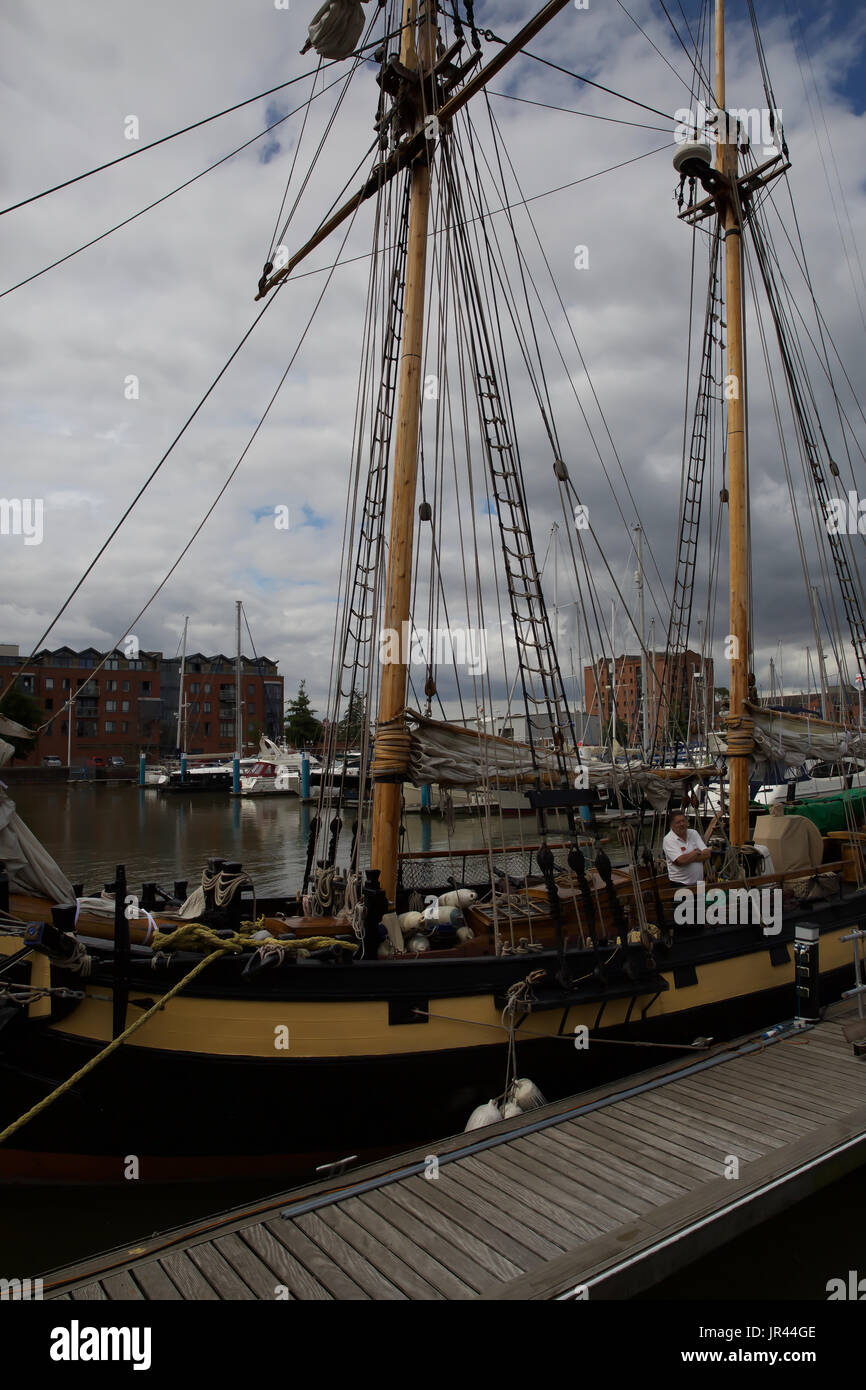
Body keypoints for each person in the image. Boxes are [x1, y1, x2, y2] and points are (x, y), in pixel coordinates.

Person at [663, 810, 711, 886]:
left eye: (683, 821)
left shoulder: (693, 833)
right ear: (672, 825)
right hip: (680, 884)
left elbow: (707, 854)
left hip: (700, 883)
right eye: (678, 822)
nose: (682, 824)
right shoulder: (668, 839)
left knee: (701, 898)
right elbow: (681, 861)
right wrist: (695, 852)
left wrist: (687, 858)